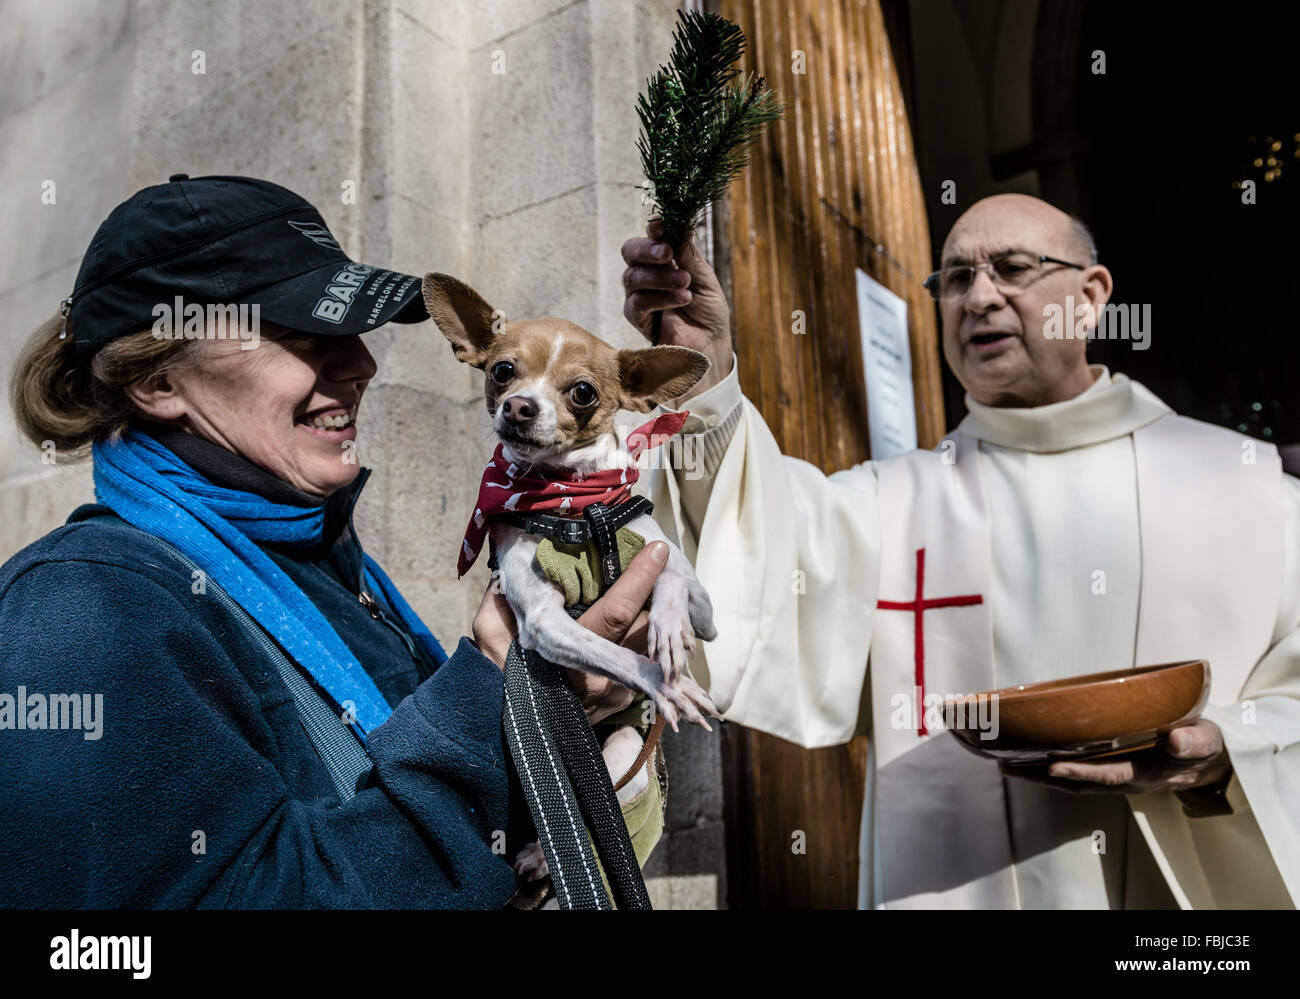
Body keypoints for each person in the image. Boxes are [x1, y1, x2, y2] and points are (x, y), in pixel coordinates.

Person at [621, 193, 1300, 908]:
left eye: (1011, 268)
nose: (978, 297)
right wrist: (702, 381)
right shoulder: (897, 500)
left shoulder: (1248, 486)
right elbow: (760, 551)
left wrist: (1226, 754)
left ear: (1093, 296)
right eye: (953, 278)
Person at [0, 174, 656, 908]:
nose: (362, 366)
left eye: (351, 331)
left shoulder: (329, 561)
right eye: (302, 335)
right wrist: (492, 709)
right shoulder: (78, 613)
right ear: (158, 381)